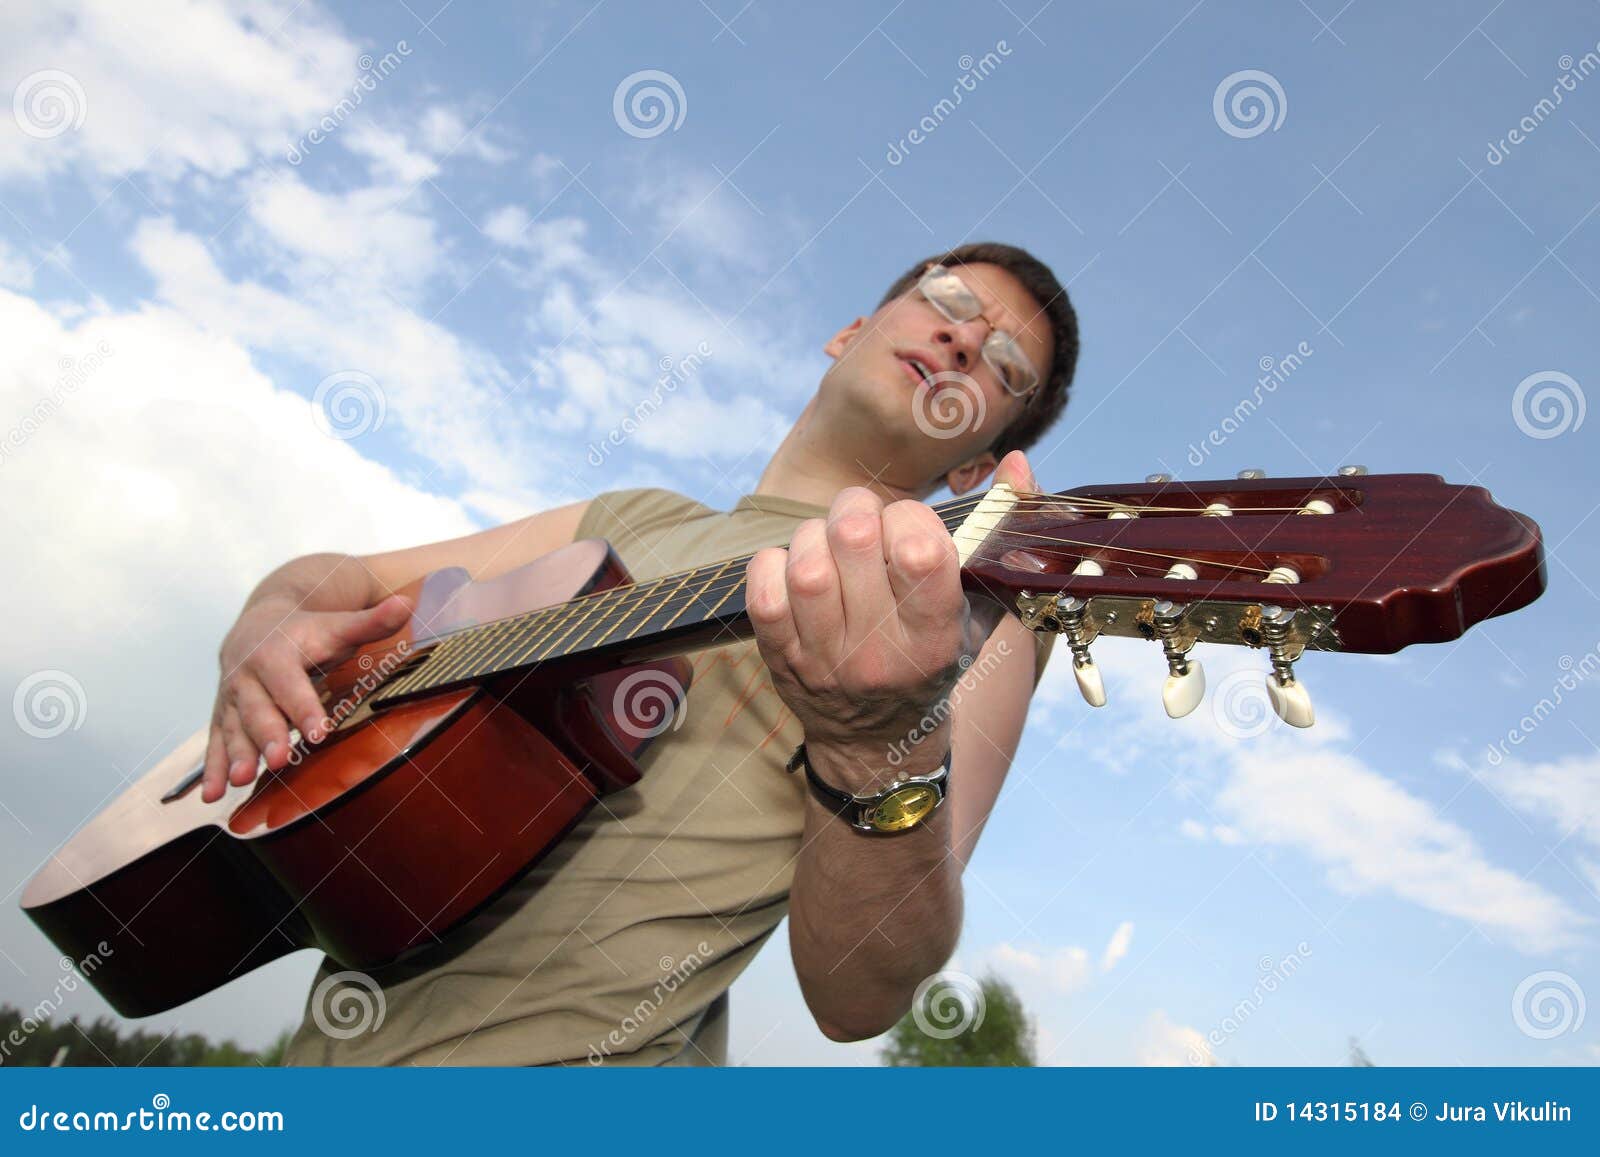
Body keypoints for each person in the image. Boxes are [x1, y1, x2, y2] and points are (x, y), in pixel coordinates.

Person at [203, 241, 1080, 1065]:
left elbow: (859, 993)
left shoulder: (977, 599)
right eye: (948, 299)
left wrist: (871, 745)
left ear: (976, 469)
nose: (966, 339)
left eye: (1006, 365)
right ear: (849, 334)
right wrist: (270, 619)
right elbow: (353, 579)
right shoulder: (633, 517)